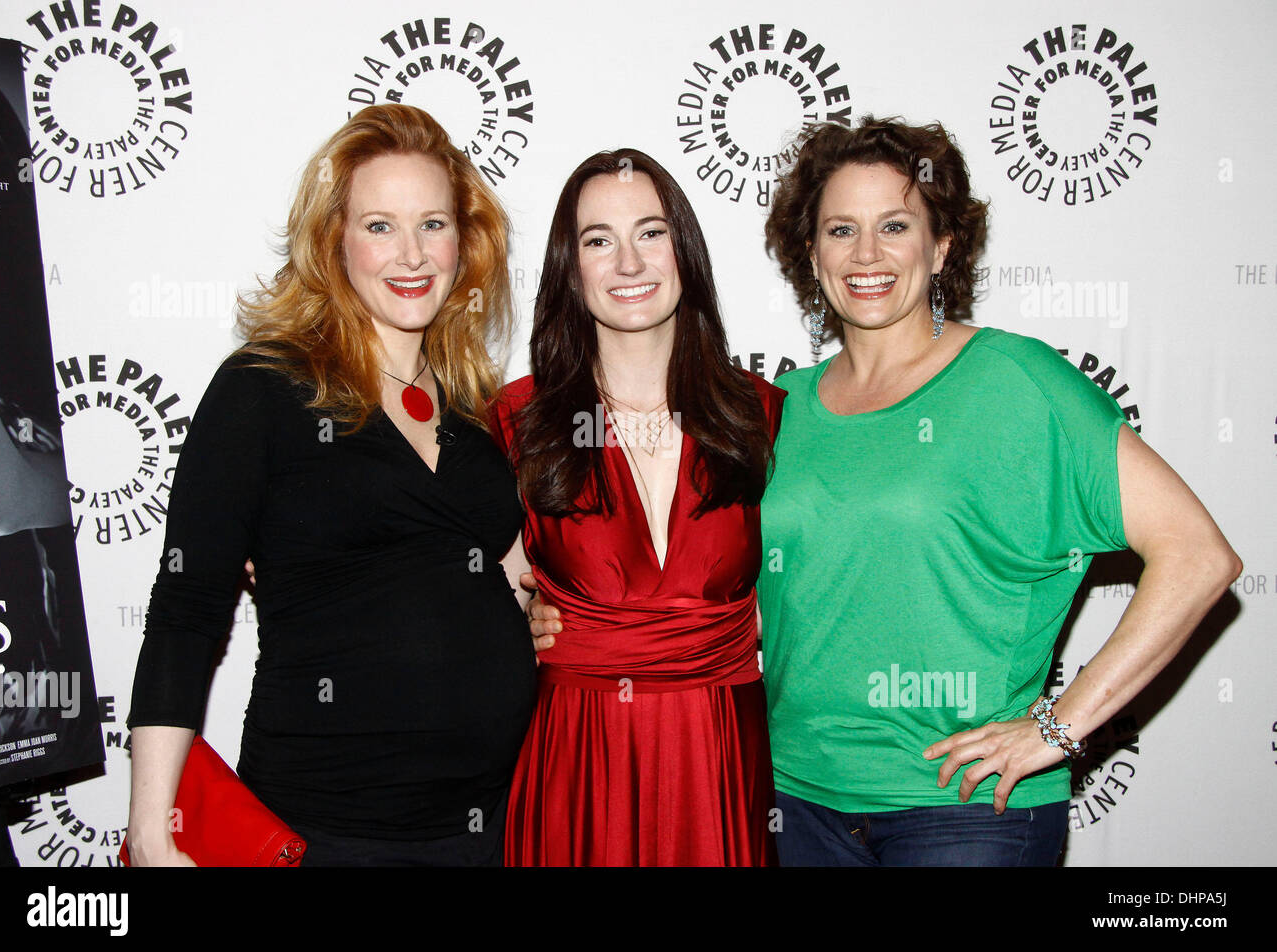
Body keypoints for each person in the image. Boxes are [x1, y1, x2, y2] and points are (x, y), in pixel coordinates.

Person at [754, 116, 1242, 865]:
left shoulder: (1019, 383)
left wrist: (1060, 725)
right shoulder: (777, 408)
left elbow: (1199, 556)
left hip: (968, 813)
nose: (868, 254)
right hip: (795, 802)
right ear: (811, 253)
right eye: (840, 229)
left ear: (941, 245)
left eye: (895, 225)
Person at [126, 104, 536, 866]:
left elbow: (510, 578)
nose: (411, 254)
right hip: (328, 832)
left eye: (433, 224)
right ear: (333, 241)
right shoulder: (263, 389)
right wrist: (153, 828)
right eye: (379, 225)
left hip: (490, 827)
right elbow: (186, 610)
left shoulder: (474, 409)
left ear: (466, 240)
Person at [491, 148, 782, 866]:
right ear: (569, 266)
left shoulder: (767, 414)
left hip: (720, 763)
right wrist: (504, 626)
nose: (628, 263)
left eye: (650, 233)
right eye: (598, 241)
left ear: (684, 248)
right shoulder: (515, 421)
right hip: (574, 763)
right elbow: (440, 582)